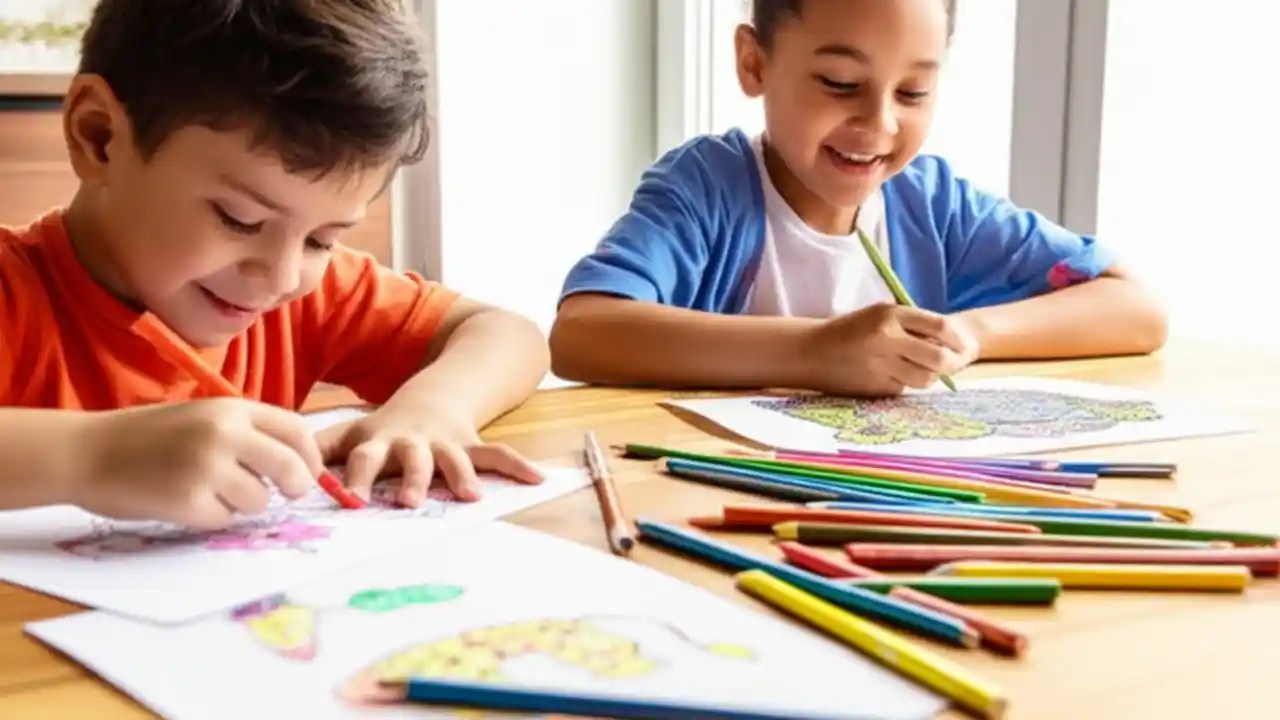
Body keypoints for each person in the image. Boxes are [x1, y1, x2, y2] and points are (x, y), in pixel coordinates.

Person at [0, 0, 549, 529]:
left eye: (322, 240)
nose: (283, 278)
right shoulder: (15, 296)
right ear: (99, 137)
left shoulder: (305, 298)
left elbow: (508, 334)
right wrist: (92, 459)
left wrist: (432, 409)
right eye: (239, 219)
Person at [550, 0, 1166, 397]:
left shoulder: (932, 206)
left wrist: (970, 333)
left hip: (882, 511)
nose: (881, 124)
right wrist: (817, 352)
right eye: (841, 84)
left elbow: (1136, 308)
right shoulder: (706, 189)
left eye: (914, 91)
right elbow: (582, 334)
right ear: (753, 64)